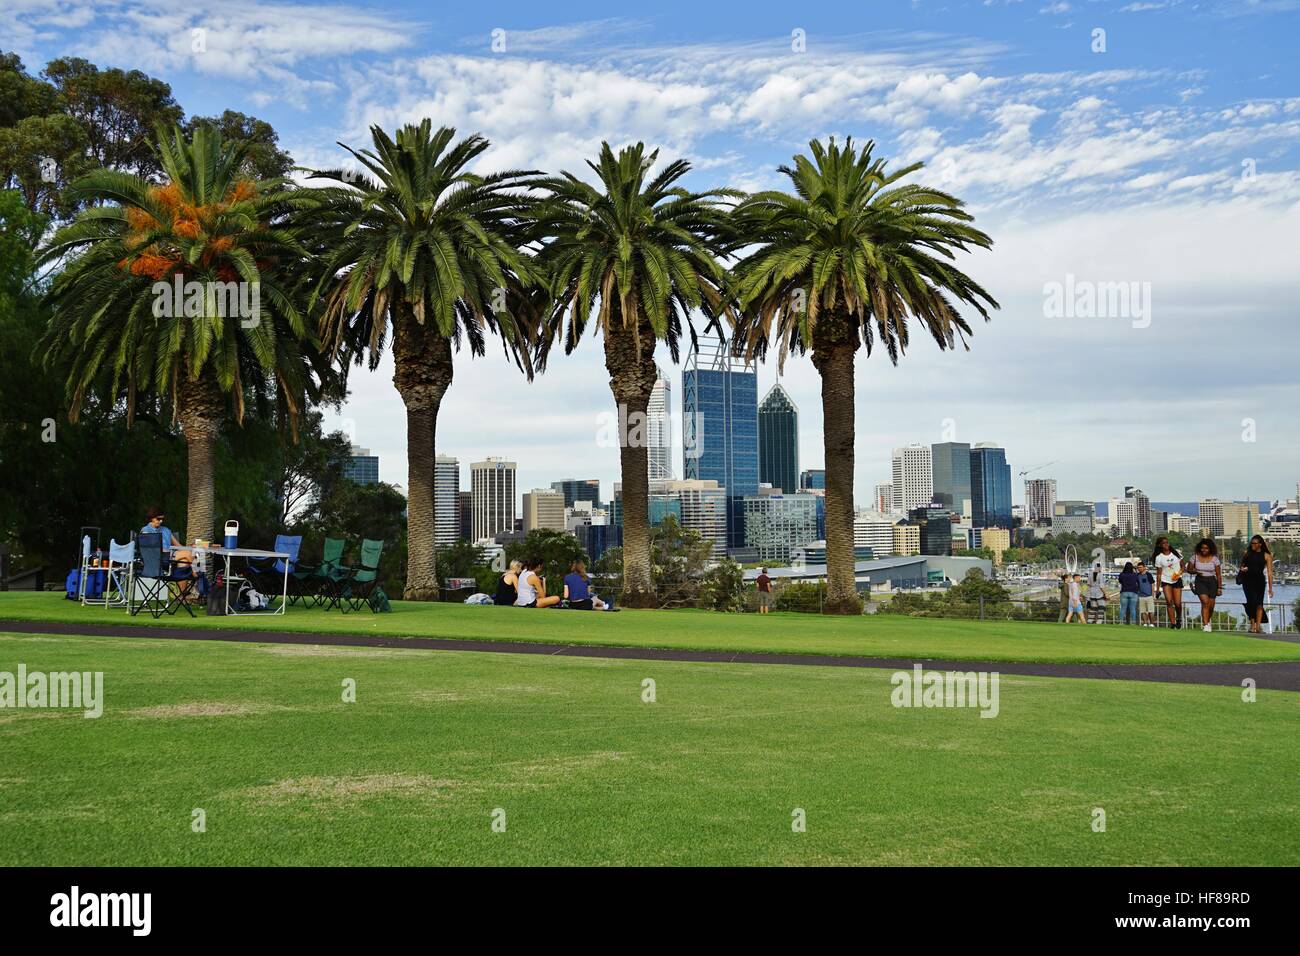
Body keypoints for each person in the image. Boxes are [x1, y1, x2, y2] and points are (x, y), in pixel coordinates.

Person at [141, 505, 198, 597]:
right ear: (151, 518)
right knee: (189, 554)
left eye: (162, 519)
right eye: (158, 519)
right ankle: (197, 576)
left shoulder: (166, 530)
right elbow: (149, 550)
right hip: (158, 560)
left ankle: (181, 595)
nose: (161, 521)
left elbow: (179, 546)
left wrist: (191, 546)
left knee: (185, 563)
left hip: (170, 558)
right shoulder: (145, 531)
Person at [1238, 535, 1274, 634]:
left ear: (1260, 544)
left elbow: (1270, 572)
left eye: (1255, 543)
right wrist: (1243, 569)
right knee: (1251, 603)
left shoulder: (1267, 555)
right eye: (1252, 543)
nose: (1252, 545)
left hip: (1259, 581)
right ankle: (1252, 625)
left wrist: (1270, 588)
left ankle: (1258, 627)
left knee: (1259, 604)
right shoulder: (1247, 553)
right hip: (1247, 581)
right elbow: (1241, 566)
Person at [1188, 538, 1222, 633]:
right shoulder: (1194, 557)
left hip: (1212, 581)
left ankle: (1208, 620)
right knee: (1205, 602)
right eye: (1202, 548)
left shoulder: (1215, 559)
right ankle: (1205, 624)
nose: (1204, 550)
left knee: (1211, 605)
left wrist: (1219, 587)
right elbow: (1189, 569)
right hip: (1200, 581)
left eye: (1206, 548)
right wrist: (1195, 571)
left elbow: (1218, 574)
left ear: (1210, 549)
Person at [1152, 536, 1185, 629]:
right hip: (1166, 580)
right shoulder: (1159, 558)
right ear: (1160, 545)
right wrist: (1157, 589)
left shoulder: (1176, 553)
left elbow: (1183, 566)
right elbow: (1158, 574)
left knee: (1178, 603)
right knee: (1169, 602)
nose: (1166, 544)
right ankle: (1173, 623)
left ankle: (1179, 618)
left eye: (1167, 542)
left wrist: (1179, 574)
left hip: (1176, 580)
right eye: (1163, 543)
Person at [1117, 561, 1140, 625]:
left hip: (1124, 591)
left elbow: (1120, 581)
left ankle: (1121, 622)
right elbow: (1138, 582)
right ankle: (1133, 622)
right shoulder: (1134, 575)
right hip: (1133, 592)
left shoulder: (1122, 574)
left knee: (1123, 608)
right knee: (1132, 608)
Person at [1135, 561, 1157, 627]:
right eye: (1138, 568)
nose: (1139, 569)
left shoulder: (1148, 575)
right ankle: (1145, 623)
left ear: (1144, 567)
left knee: (1151, 611)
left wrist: (1153, 595)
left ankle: (1152, 624)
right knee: (1143, 611)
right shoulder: (1137, 575)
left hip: (1149, 596)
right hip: (1141, 596)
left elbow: (1152, 584)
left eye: (1141, 567)